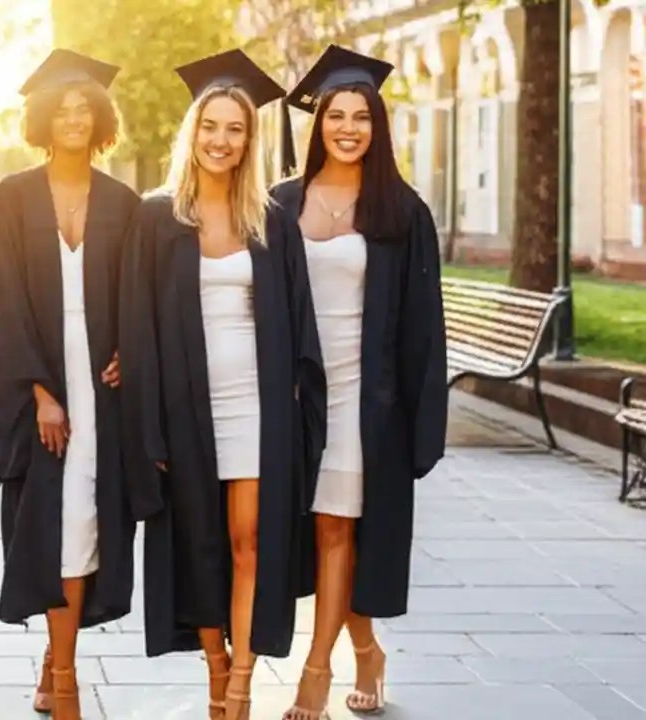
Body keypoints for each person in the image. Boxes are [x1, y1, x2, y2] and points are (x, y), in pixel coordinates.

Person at [119, 49, 326, 720]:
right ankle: (213, 664)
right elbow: (137, 325)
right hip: (185, 406)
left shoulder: (272, 221)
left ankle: (240, 684)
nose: (221, 140)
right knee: (199, 542)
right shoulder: (156, 218)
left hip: (256, 405)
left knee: (250, 542)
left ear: (249, 139)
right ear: (193, 131)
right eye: (211, 126)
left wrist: (296, 404)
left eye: (235, 129)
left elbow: (299, 324)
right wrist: (146, 417)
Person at [273, 45, 448, 720]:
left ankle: (317, 672)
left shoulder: (402, 212)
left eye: (361, 117)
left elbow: (424, 328)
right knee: (318, 534)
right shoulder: (283, 203)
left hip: (363, 400)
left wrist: (415, 421)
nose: (347, 127)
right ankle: (368, 649)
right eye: (335, 115)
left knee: (334, 530)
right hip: (299, 399)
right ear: (318, 124)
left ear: (378, 128)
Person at [0, 48, 140, 720]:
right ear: (43, 119)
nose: (74, 118)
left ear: (100, 118)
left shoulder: (124, 202)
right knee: (48, 521)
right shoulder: (15, 195)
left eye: (85, 108)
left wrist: (129, 353)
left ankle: (62, 666)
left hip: (103, 392)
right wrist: (40, 392)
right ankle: (63, 669)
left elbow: (140, 295)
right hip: (39, 386)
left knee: (85, 520)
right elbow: (5, 298)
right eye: (62, 109)